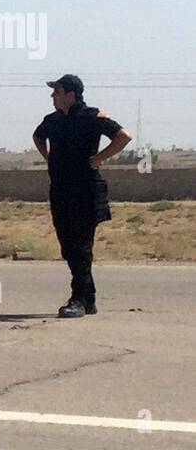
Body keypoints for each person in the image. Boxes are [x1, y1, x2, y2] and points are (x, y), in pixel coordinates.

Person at [33, 74, 132, 317]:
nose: (52, 96)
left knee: (81, 246)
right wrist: (49, 159)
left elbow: (123, 136)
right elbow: (38, 136)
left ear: (71, 94)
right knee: (68, 246)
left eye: (57, 91)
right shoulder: (53, 120)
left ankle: (78, 299)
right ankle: (89, 299)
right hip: (60, 190)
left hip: (85, 190)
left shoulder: (91, 117)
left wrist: (99, 158)